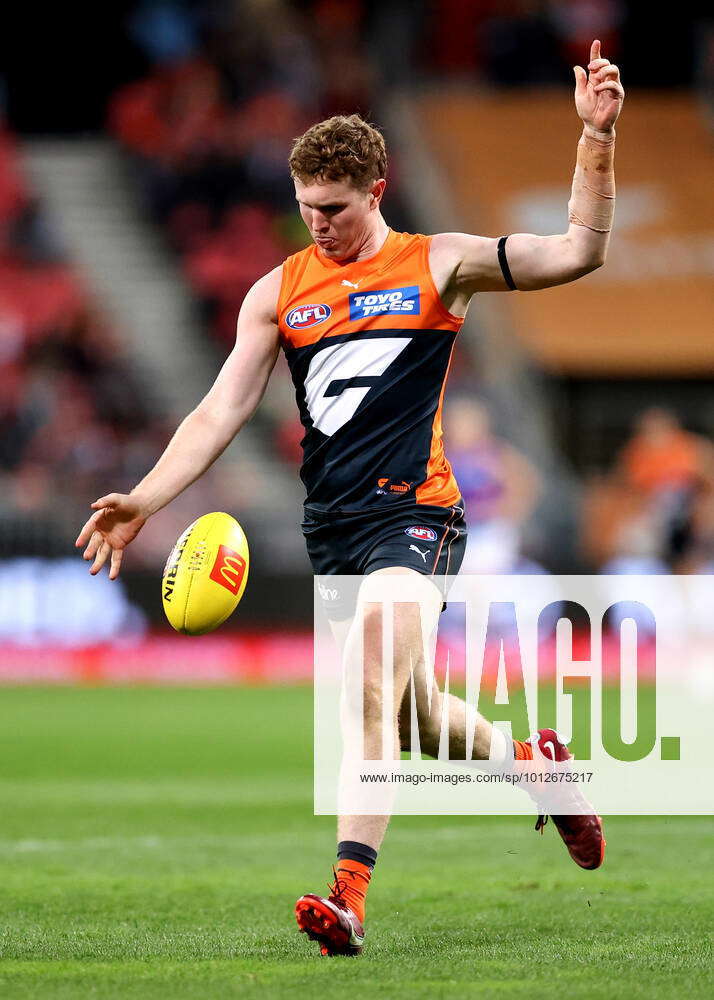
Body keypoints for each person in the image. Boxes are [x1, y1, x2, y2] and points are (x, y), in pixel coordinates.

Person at [76, 40, 624, 957]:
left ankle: (348, 895)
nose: (317, 229)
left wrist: (595, 141)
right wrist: (143, 496)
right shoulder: (279, 292)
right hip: (335, 527)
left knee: (367, 681)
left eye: (331, 211)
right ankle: (540, 774)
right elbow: (220, 409)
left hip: (419, 514)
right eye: (304, 212)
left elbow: (577, 252)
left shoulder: (440, 263)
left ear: (376, 190)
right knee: (414, 715)